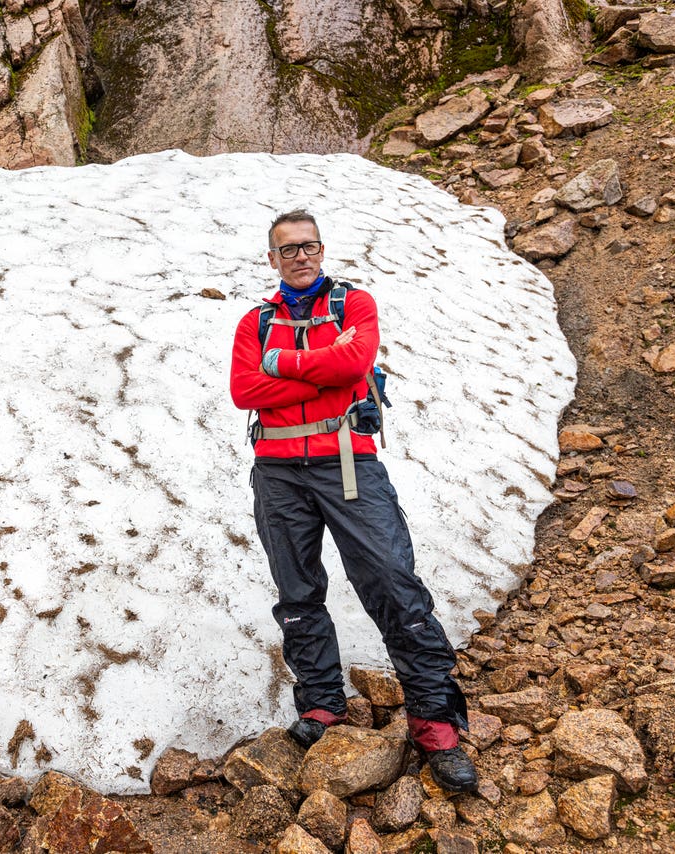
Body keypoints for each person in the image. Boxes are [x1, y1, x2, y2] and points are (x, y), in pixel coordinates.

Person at [228, 209, 478, 792]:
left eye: (308, 246)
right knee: (297, 591)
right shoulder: (255, 322)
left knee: (392, 582)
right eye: (288, 249)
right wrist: (324, 370)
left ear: (322, 250)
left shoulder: (353, 305)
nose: (300, 256)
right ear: (272, 258)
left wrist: (283, 366)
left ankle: (435, 723)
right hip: (277, 473)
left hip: (349, 464)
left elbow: (354, 365)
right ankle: (321, 704)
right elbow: (244, 390)